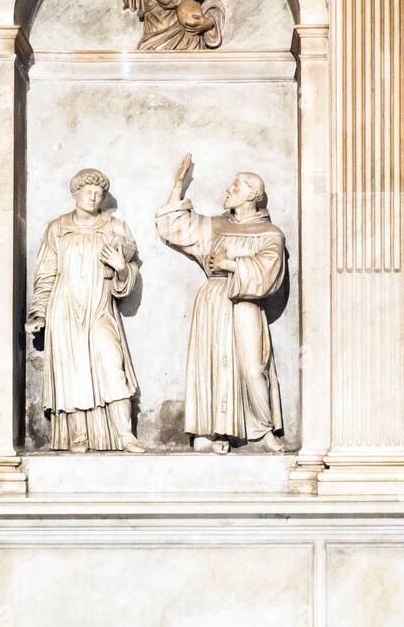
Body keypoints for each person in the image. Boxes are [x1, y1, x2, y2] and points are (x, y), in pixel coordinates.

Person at [155, 153, 286, 453]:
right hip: (214, 300)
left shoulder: (270, 234)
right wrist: (178, 187)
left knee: (254, 366)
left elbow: (269, 271)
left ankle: (262, 430)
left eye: (236, 186)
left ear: (253, 195)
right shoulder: (215, 227)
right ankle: (212, 432)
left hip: (245, 301)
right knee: (212, 364)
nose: (229, 190)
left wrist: (229, 263)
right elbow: (174, 227)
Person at [26, 169, 143, 453]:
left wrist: (122, 267)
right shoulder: (58, 228)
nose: (93, 197)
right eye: (87, 191)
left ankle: (125, 433)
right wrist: (39, 311)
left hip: (100, 307)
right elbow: (46, 272)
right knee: (72, 370)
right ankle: (78, 434)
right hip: (64, 308)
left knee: (112, 363)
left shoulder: (115, 228)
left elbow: (131, 272)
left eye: (98, 193)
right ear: (75, 193)